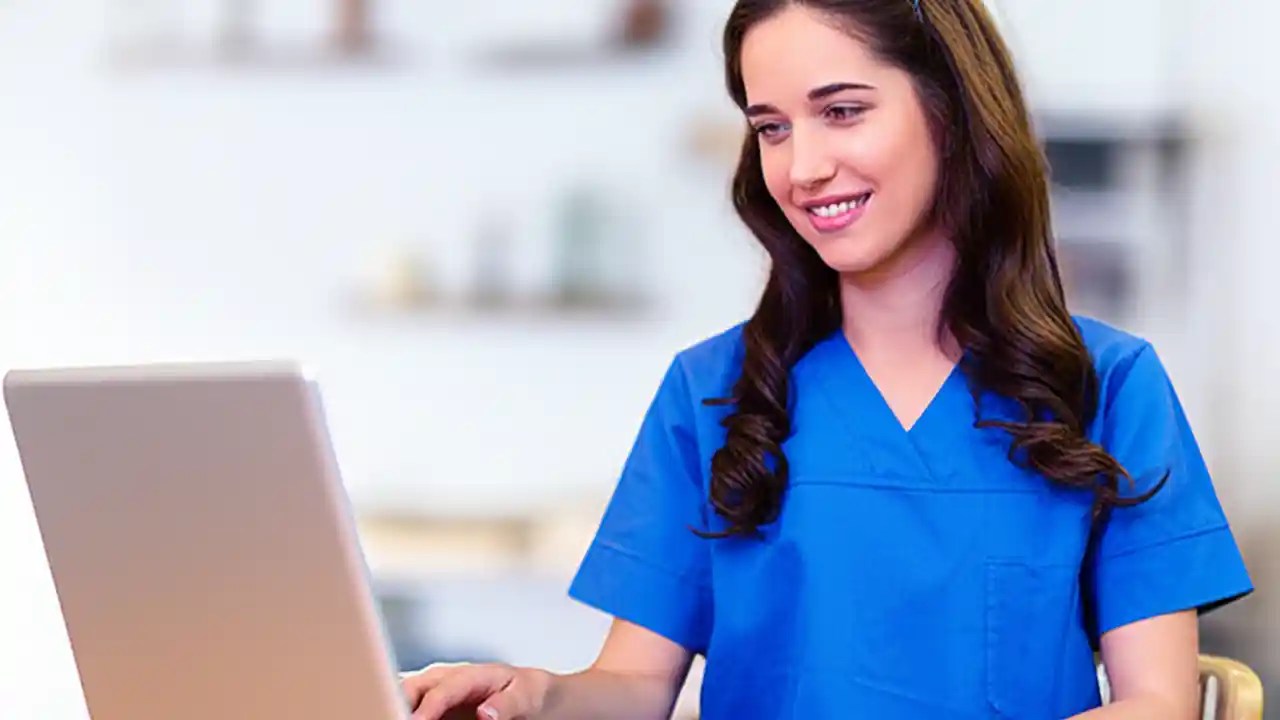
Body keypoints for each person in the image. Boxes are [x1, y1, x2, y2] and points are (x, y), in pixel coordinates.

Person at [402, 1, 1254, 717]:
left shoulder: (1106, 389)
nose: (803, 167)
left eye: (842, 111)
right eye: (772, 128)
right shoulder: (714, 393)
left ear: (952, 111)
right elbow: (632, 684)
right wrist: (533, 694)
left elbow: (1157, 703)